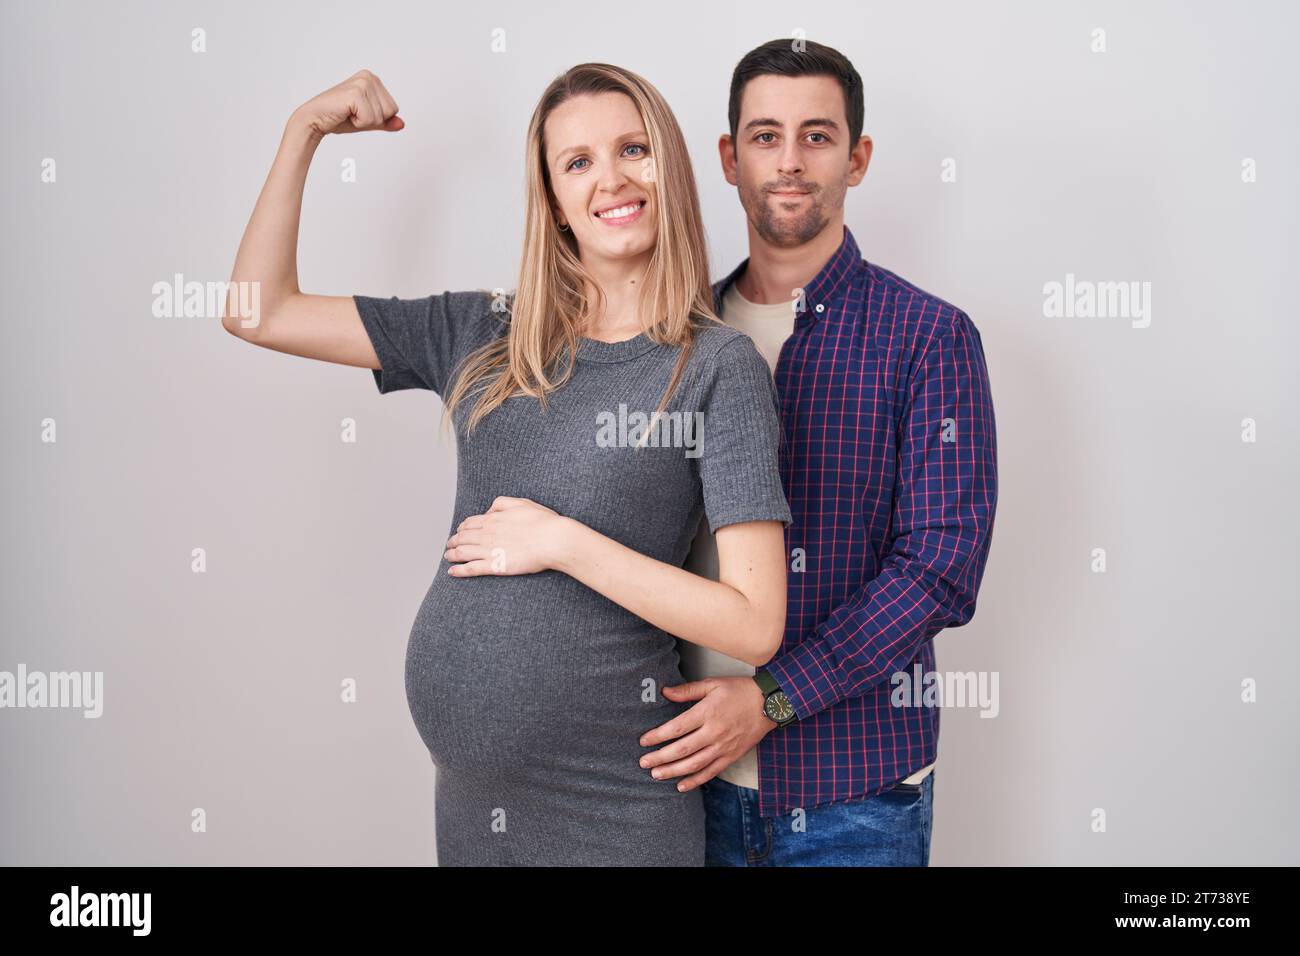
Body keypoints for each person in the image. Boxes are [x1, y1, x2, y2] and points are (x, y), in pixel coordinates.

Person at [219, 64, 791, 866]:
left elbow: (755, 623)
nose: (613, 179)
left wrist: (563, 541)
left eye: (634, 149)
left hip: (612, 806)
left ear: (668, 164)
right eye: (578, 162)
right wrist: (301, 132)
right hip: (473, 806)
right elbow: (257, 311)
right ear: (554, 199)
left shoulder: (716, 367)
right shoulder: (484, 331)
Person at [637, 39, 999, 867]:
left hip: (857, 794)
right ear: (729, 159)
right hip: (678, 781)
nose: (790, 162)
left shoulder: (929, 337)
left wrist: (771, 700)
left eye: (817, 136)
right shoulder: (673, 338)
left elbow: (940, 569)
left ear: (857, 157)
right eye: (765, 136)